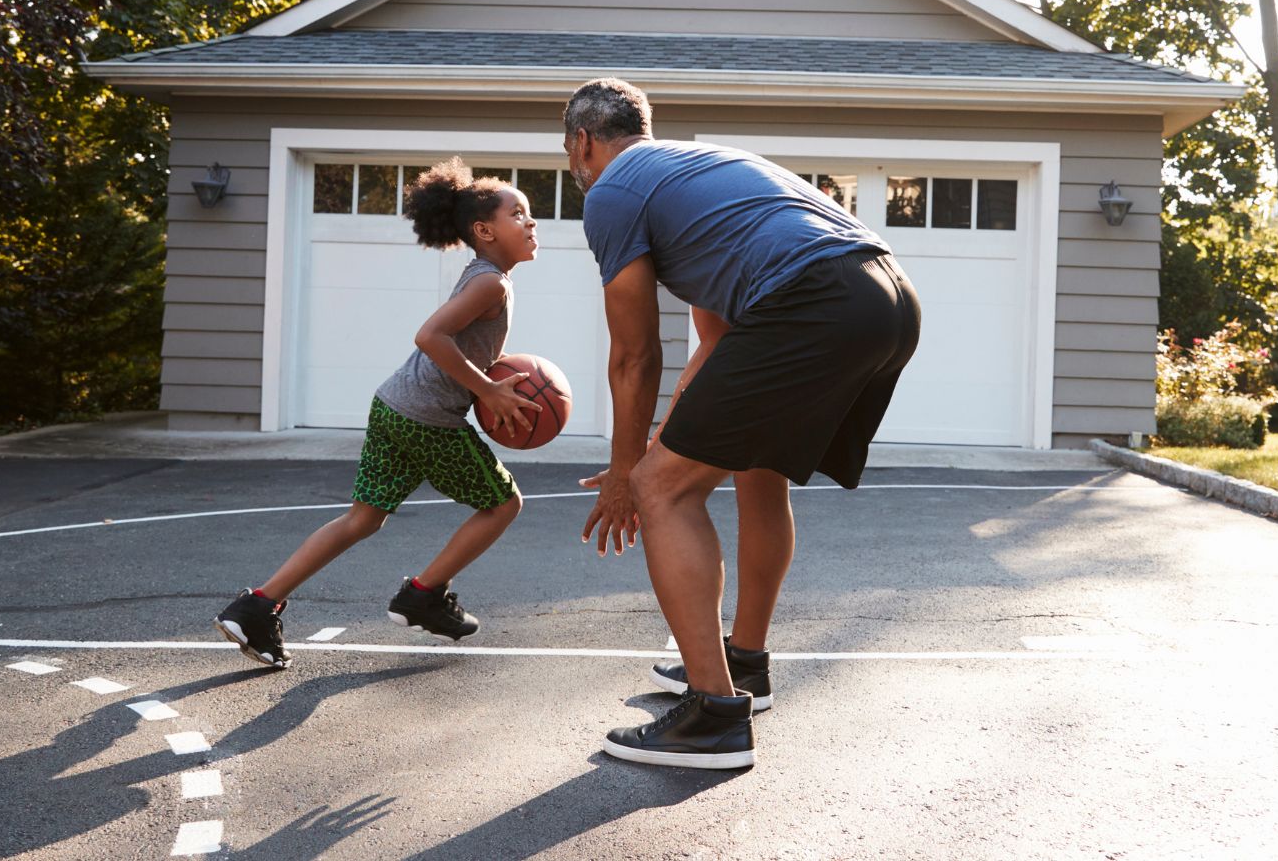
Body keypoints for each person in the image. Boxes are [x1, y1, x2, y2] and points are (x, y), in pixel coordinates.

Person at [564, 78, 921, 769]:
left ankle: (713, 717)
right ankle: (744, 665)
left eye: (571, 153)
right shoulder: (697, 170)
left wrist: (628, 474)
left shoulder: (612, 192)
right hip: (887, 297)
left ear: (582, 141)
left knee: (664, 491)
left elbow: (635, 355)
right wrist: (671, 437)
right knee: (755, 468)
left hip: (814, 300)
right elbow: (716, 340)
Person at [214, 159, 542, 668]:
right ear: (484, 230)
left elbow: (456, 342)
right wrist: (487, 390)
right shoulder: (491, 284)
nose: (531, 222)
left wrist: (489, 375)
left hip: (393, 406)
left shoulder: (488, 277)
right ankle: (423, 595)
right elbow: (429, 337)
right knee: (504, 504)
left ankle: (257, 605)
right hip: (425, 418)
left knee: (363, 518)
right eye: (517, 213)